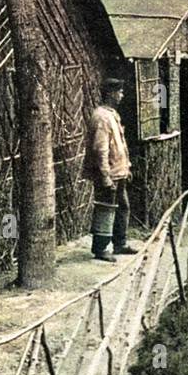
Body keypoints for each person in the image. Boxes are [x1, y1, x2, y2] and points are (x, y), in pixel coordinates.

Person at [83, 78, 136, 262]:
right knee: (106, 209)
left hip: (118, 171)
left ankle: (119, 243)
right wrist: (105, 176)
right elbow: (101, 149)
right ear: (110, 94)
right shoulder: (101, 117)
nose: (121, 95)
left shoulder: (111, 114)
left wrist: (126, 167)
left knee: (122, 207)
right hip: (109, 173)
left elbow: (120, 144)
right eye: (119, 92)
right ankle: (100, 248)